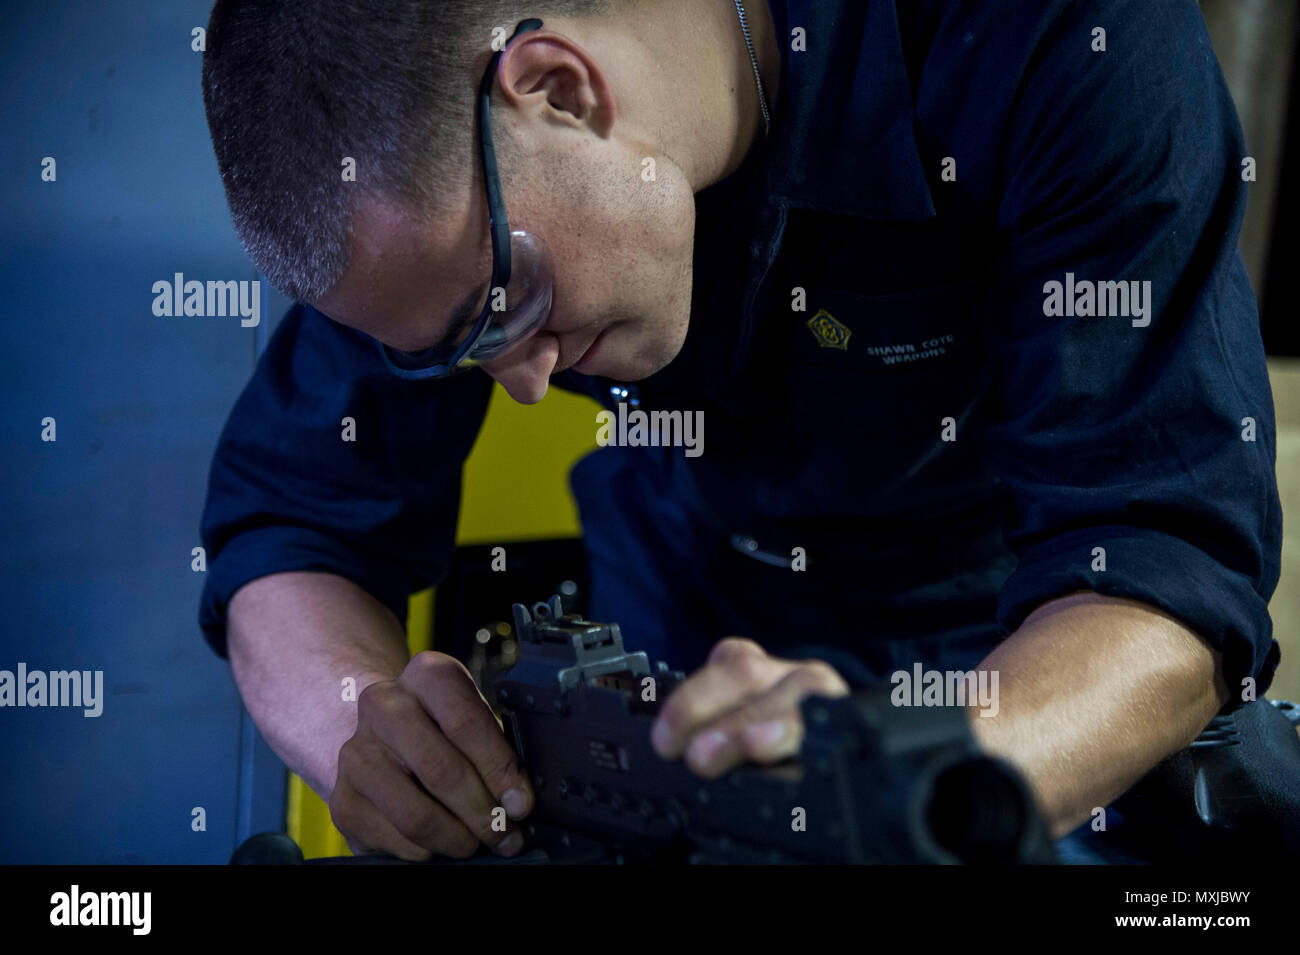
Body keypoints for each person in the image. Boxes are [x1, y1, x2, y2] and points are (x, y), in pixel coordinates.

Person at [197, 0, 1282, 862]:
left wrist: (894, 785)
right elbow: (292, 526)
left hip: (1017, 692)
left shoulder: (1048, 34)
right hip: (666, 704)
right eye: (457, 347)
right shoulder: (427, 201)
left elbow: (1162, 575)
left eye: (503, 312)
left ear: (561, 91)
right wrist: (366, 733)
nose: (519, 385)